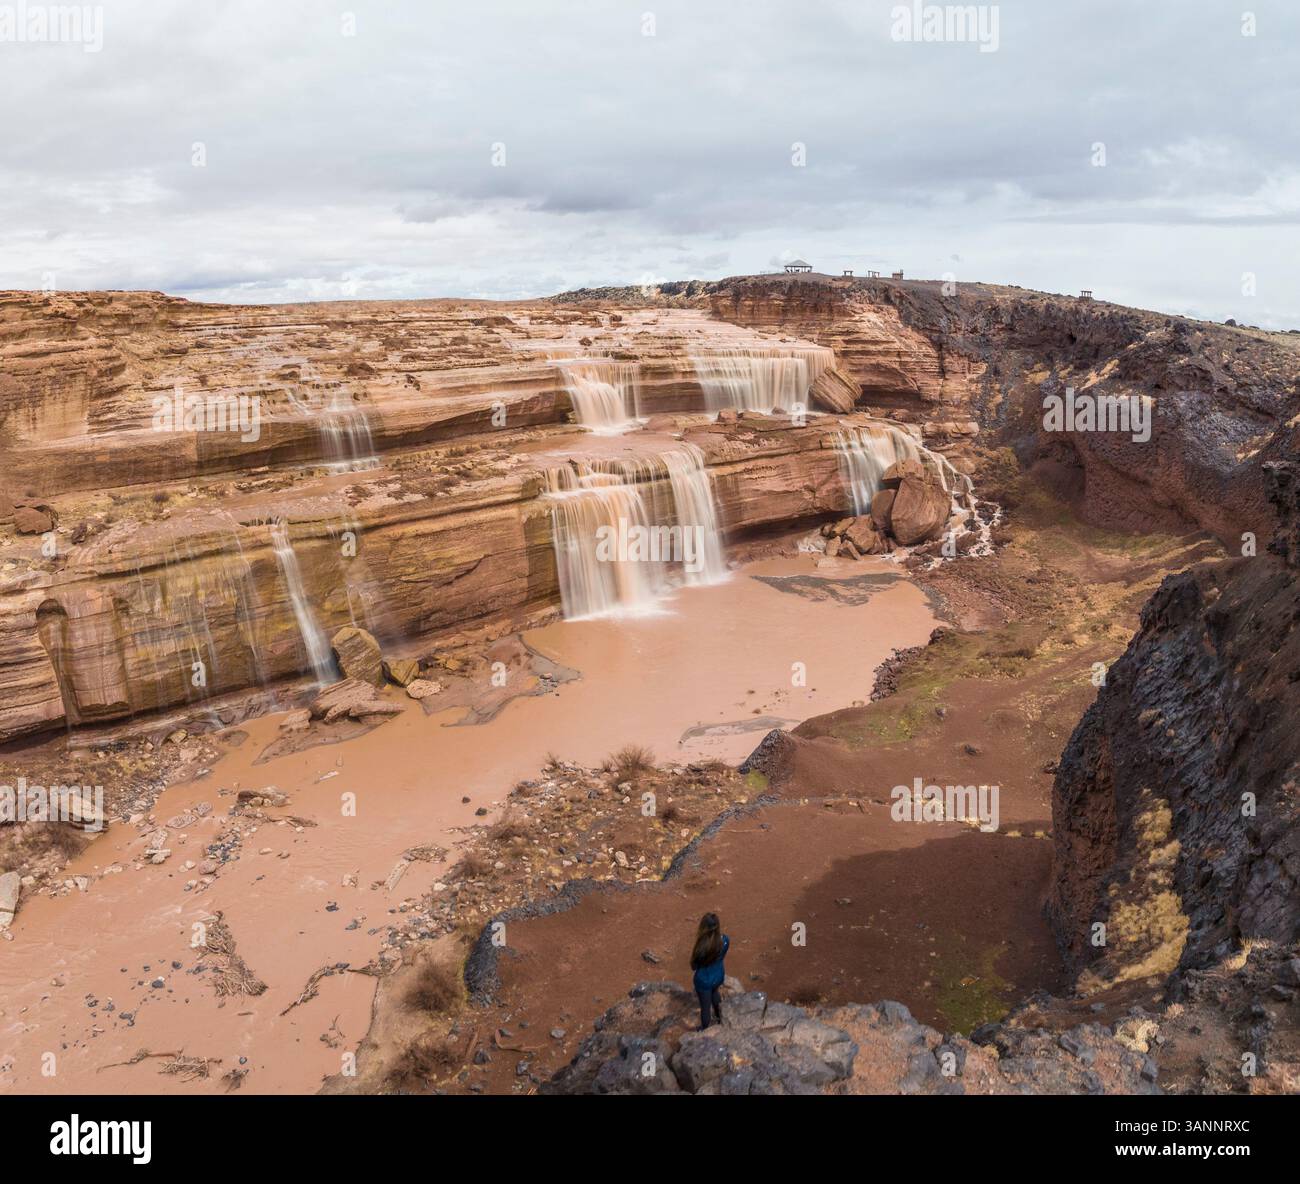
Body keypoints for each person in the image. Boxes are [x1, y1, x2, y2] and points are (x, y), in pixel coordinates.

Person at [689, 912, 730, 1030]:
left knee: (705, 1008)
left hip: (704, 981)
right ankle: (719, 1017)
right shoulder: (725, 940)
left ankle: (705, 1028)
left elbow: (693, 966)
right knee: (715, 994)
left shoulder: (701, 948)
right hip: (718, 976)